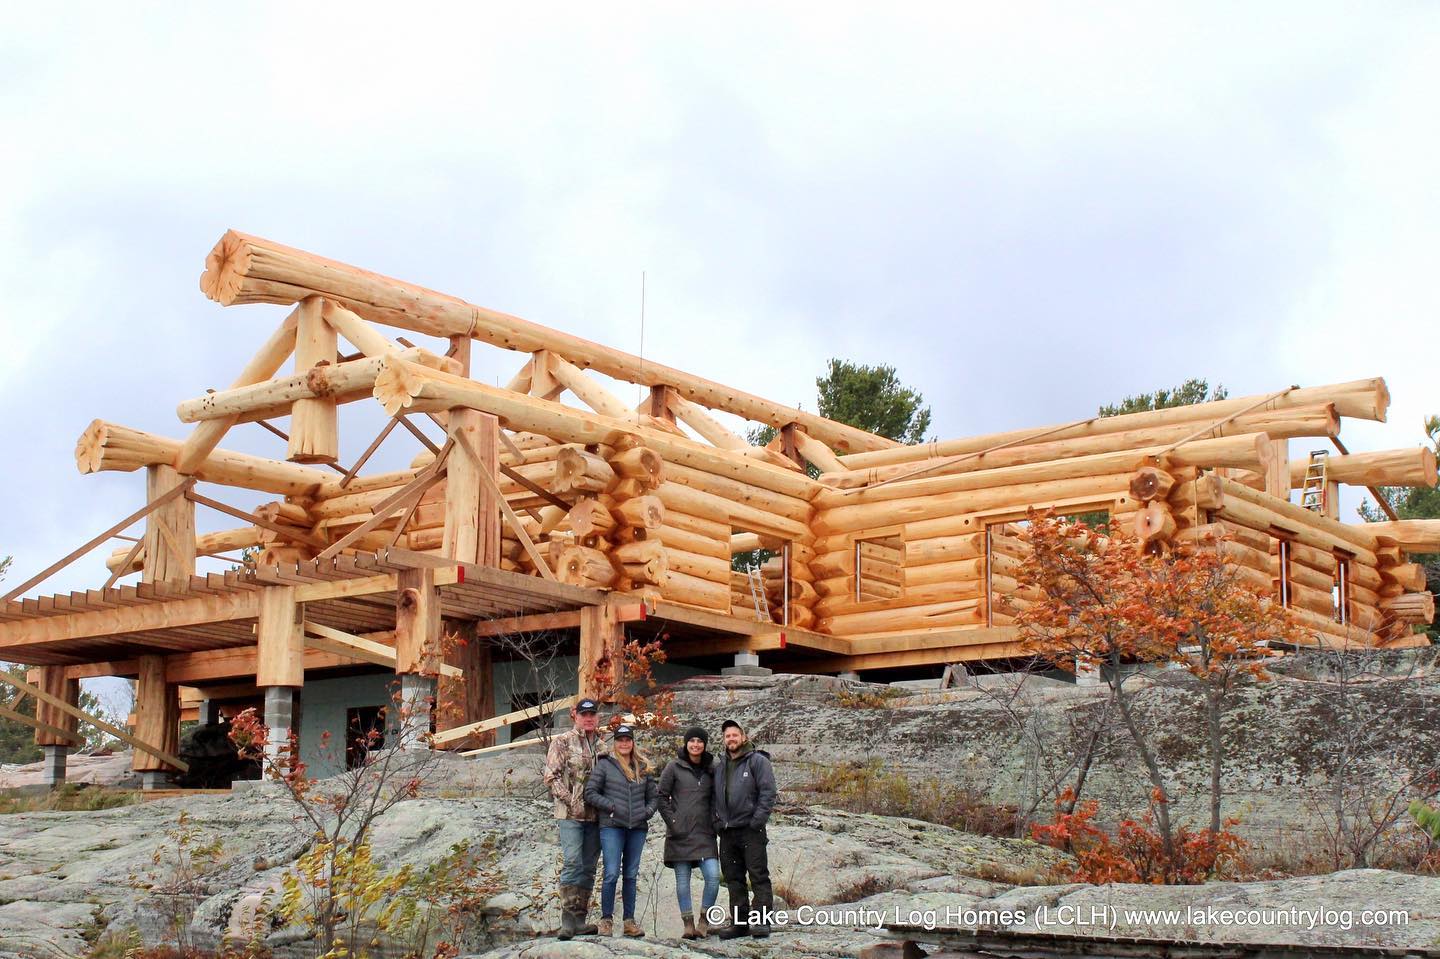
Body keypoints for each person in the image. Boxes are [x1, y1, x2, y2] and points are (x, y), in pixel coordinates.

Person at [584, 724, 659, 938]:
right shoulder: (605, 765)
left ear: (633, 742)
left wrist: (647, 812)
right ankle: (606, 920)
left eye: (628, 739)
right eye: (620, 739)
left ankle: (629, 922)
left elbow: (654, 797)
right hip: (612, 827)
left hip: (637, 828)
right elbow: (590, 792)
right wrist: (611, 806)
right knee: (610, 873)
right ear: (614, 742)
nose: (624, 743)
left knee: (631, 875)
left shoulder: (642, 766)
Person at [542, 698, 602, 940]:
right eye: (584, 714)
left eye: (593, 714)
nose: (588, 718)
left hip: (596, 816)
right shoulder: (562, 742)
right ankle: (567, 920)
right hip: (569, 815)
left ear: (598, 717)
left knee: (589, 867)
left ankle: (580, 919)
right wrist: (570, 800)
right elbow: (550, 777)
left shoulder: (603, 745)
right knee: (573, 862)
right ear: (575, 715)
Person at [712, 718, 776, 939]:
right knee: (733, 878)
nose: (731, 739)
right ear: (724, 739)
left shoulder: (758, 761)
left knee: (758, 876)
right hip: (728, 832)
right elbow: (713, 797)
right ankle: (740, 924)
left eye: (735, 735)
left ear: (744, 737)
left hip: (751, 830)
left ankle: (761, 922)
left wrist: (756, 821)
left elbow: (768, 793)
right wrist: (717, 821)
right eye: (727, 736)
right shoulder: (720, 766)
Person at [658, 726, 720, 939]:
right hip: (679, 834)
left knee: (712, 877)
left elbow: (717, 798)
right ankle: (688, 924)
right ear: (686, 743)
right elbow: (661, 796)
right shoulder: (673, 767)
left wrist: (715, 821)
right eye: (691, 740)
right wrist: (673, 822)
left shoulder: (712, 768)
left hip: (705, 833)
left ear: (704, 744)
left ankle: (704, 920)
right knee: (682, 882)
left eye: (699, 741)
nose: (695, 744)